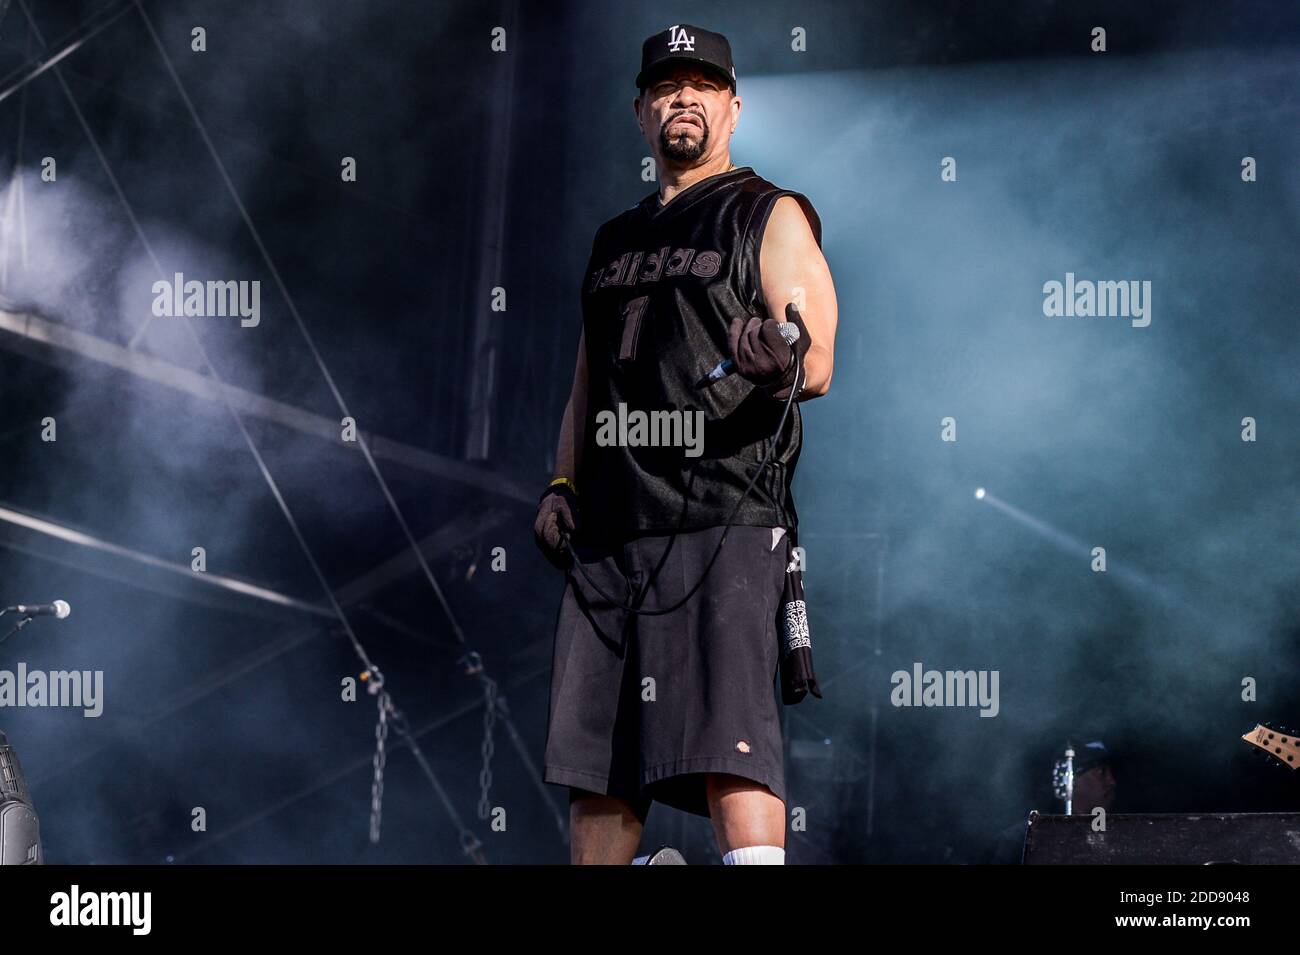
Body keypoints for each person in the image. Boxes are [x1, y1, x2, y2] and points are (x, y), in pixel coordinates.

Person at [533, 23, 838, 865]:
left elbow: (818, 348)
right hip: (611, 533)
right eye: (667, 87)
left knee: (728, 745)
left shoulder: (766, 210)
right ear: (640, 112)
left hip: (722, 517)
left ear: (733, 107)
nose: (684, 99)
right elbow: (586, 382)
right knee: (600, 768)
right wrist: (563, 481)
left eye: (703, 85)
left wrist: (789, 353)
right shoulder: (613, 239)